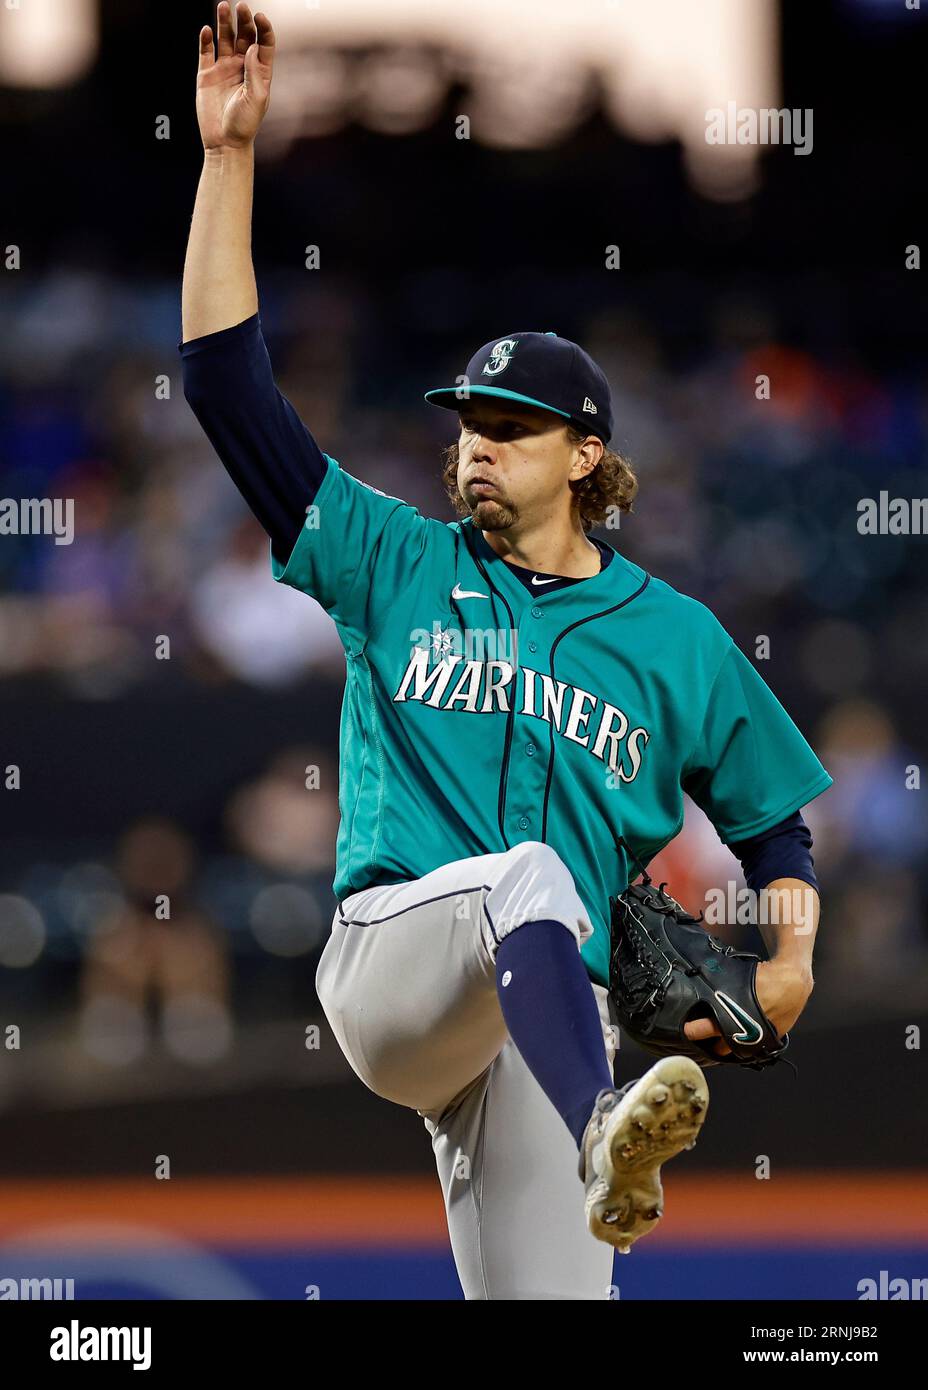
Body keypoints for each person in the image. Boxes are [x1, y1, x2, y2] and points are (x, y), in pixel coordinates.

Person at [180, 3, 830, 1299]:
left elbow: (778, 835)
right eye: (468, 420)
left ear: (587, 455)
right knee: (529, 874)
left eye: (512, 424)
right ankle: (606, 1125)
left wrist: (796, 959)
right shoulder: (395, 558)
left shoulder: (676, 639)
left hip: (546, 1021)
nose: (476, 441)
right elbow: (222, 383)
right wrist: (230, 159)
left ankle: (592, 1135)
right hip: (395, 961)